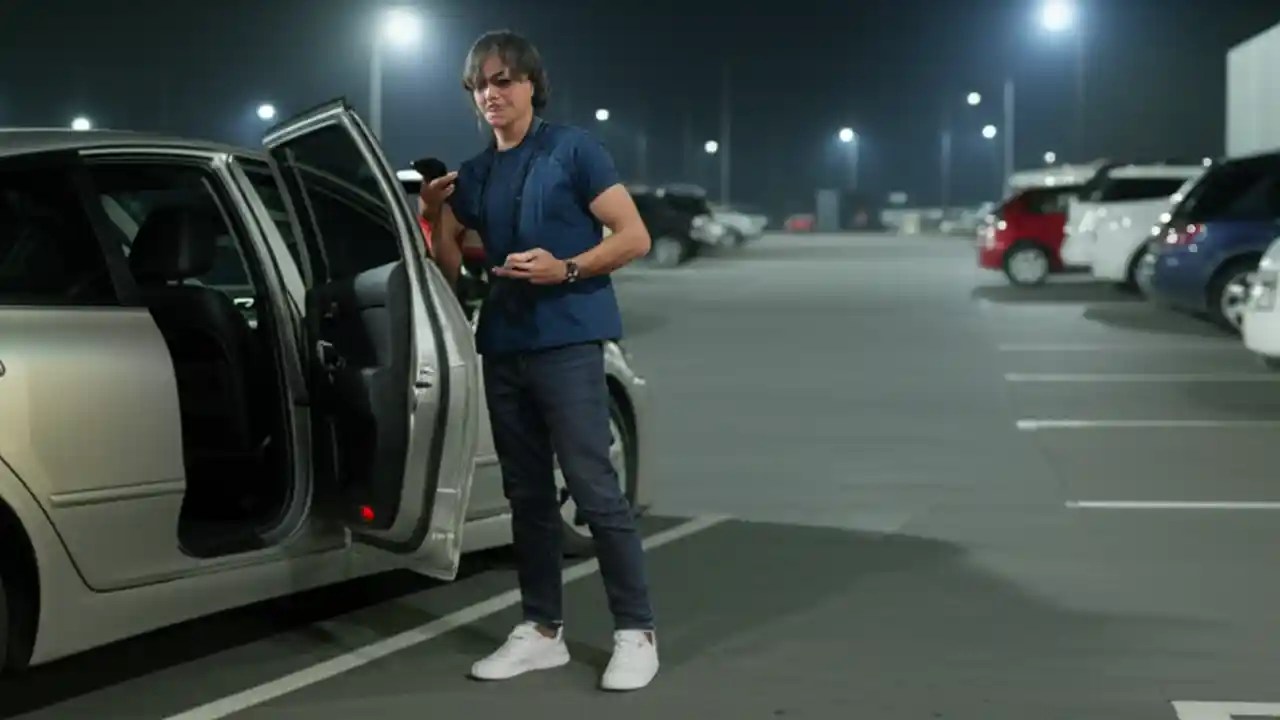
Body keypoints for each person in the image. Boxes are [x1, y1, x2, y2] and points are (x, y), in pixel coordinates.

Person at [418, 30, 658, 692]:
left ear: (530, 85)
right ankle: (541, 630)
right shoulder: (476, 175)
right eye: (479, 85)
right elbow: (450, 268)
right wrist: (434, 213)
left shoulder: (573, 150)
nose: (491, 93)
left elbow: (634, 235)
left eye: (503, 80)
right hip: (504, 344)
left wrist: (568, 267)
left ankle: (635, 631)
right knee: (526, 495)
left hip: (569, 343)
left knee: (593, 487)